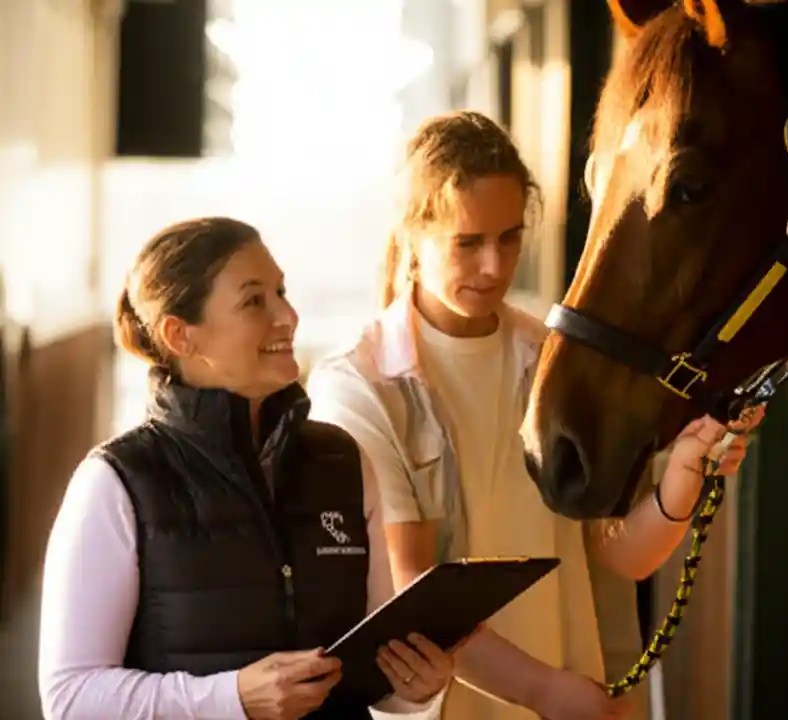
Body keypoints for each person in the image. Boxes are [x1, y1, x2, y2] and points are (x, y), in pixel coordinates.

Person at [305, 111, 761, 720]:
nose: (495, 266)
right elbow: (407, 593)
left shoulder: (555, 362)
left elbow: (624, 553)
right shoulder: (361, 386)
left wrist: (686, 470)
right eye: (468, 243)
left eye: (510, 237)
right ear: (412, 236)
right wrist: (545, 691)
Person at [38, 217, 458, 720]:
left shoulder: (343, 461)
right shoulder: (117, 481)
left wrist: (416, 686)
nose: (288, 315)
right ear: (180, 335)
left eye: (281, 291)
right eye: (254, 301)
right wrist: (232, 698)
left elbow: (371, 673)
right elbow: (71, 698)